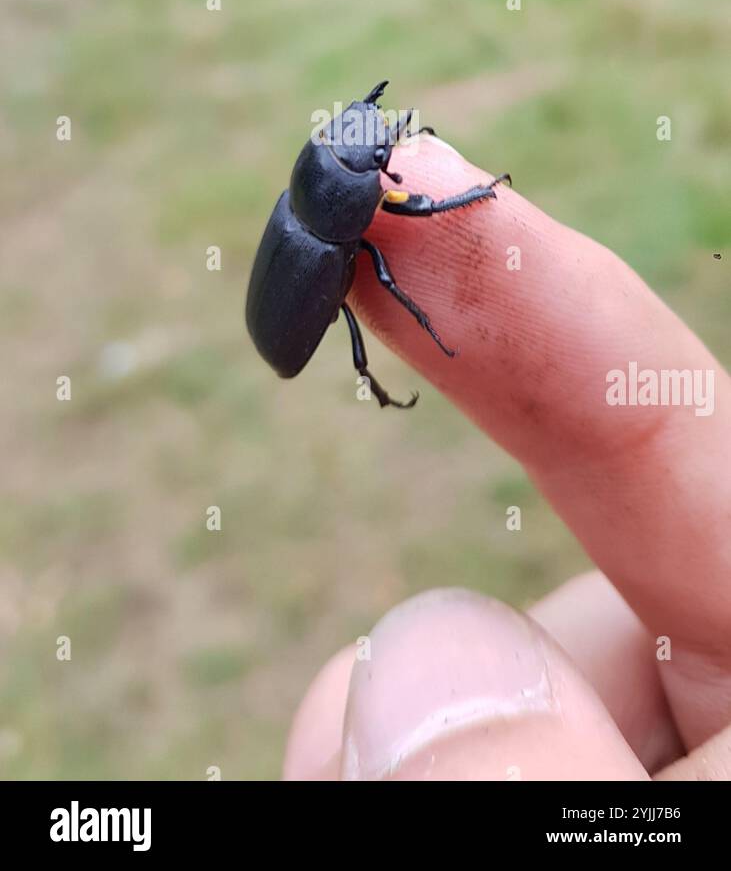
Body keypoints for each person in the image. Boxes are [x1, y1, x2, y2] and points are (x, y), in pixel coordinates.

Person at [283, 135, 730, 781]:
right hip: (302, 292)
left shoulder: (316, 206)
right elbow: (407, 252)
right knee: (382, 285)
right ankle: (381, 370)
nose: (376, 144)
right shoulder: (338, 244)